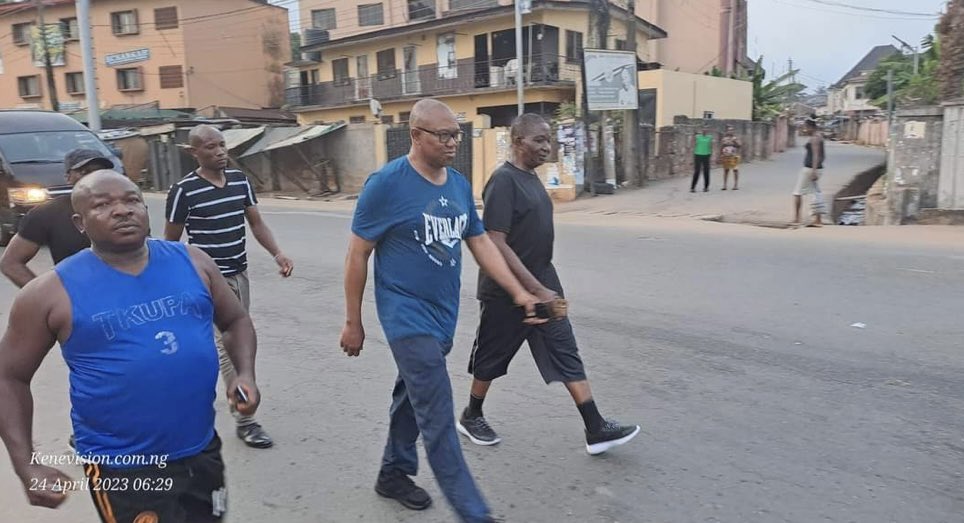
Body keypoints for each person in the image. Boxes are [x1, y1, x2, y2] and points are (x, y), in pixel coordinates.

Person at [0, 170, 262, 522]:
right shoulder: (49, 294)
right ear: (80, 222)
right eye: (103, 205)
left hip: (201, 449)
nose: (122, 210)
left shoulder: (194, 261)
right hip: (123, 467)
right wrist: (26, 467)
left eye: (131, 200)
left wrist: (243, 374)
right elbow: (8, 378)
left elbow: (235, 321)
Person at [340, 99, 542, 523]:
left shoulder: (456, 184)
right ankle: (475, 513)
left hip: (442, 315)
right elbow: (358, 253)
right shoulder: (386, 185)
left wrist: (520, 292)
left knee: (409, 398)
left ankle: (393, 474)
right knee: (436, 409)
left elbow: (481, 242)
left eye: (457, 134)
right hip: (404, 315)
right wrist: (353, 321)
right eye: (444, 135)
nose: (453, 142)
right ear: (416, 136)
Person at [457, 114, 640, 455]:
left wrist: (543, 286)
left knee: (564, 348)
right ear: (517, 141)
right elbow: (495, 241)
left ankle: (595, 427)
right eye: (538, 140)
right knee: (491, 357)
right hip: (506, 289)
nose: (546, 147)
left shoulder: (531, 178)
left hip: (543, 279)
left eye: (548, 140)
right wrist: (530, 289)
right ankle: (472, 414)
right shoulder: (503, 181)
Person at [165, 125, 293, 449]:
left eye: (222, 145)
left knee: (233, 339)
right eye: (210, 147)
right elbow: (171, 242)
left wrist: (277, 253)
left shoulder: (239, 182)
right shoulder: (184, 190)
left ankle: (191, 394)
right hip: (208, 282)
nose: (220, 151)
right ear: (194, 153)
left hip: (239, 275)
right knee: (228, 349)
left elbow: (256, 223)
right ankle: (246, 419)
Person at [0, 149, 113, 287]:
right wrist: (49, 295)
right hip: (82, 301)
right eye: (84, 172)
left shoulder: (127, 207)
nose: (93, 176)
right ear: (68, 177)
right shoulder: (48, 212)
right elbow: (10, 263)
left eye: (101, 171)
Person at [792, 118, 827, 227]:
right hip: (816, 168)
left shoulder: (814, 138)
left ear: (811, 127)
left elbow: (816, 155)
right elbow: (823, 156)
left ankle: (797, 218)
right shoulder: (819, 136)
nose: (804, 129)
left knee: (797, 192)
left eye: (805, 127)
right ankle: (818, 219)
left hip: (810, 169)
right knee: (815, 192)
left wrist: (814, 171)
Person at [691, 126, 713, 193]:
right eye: (703, 128)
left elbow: (711, 146)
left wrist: (710, 153)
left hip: (706, 155)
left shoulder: (709, 137)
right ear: (701, 130)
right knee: (697, 171)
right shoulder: (698, 137)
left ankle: (706, 187)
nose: (705, 130)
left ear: (708, 130)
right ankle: (693, 187)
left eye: (706, 128)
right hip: (698, 154)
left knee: (706, 172)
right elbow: (693, 144)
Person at [720, 126, 742, 191]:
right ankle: (724, 185)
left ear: (733, 131)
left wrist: (734, 141)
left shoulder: (736, 138)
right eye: (729, 130)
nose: (730, 131)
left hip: (734, 156)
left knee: (735, 170)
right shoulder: (724, 139)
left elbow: (740, 145)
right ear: (727, 131)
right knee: (726, 170)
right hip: (726, 156)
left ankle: (735, 185)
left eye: (731, 130)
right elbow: (721, 146)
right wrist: (721, 155)